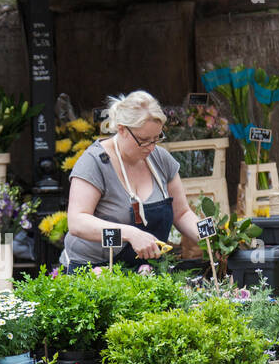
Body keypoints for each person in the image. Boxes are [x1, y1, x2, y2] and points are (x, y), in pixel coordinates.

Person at [61, 90, 202, 270]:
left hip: (145, 269)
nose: (151, 147)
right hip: (95, 270)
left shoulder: (160, 159)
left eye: (156, 138)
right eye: (143, 140)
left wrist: (212, 238)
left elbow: (182, 213)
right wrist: (129, 233)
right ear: (121, 129)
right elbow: (77, 222)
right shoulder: (94, 162)